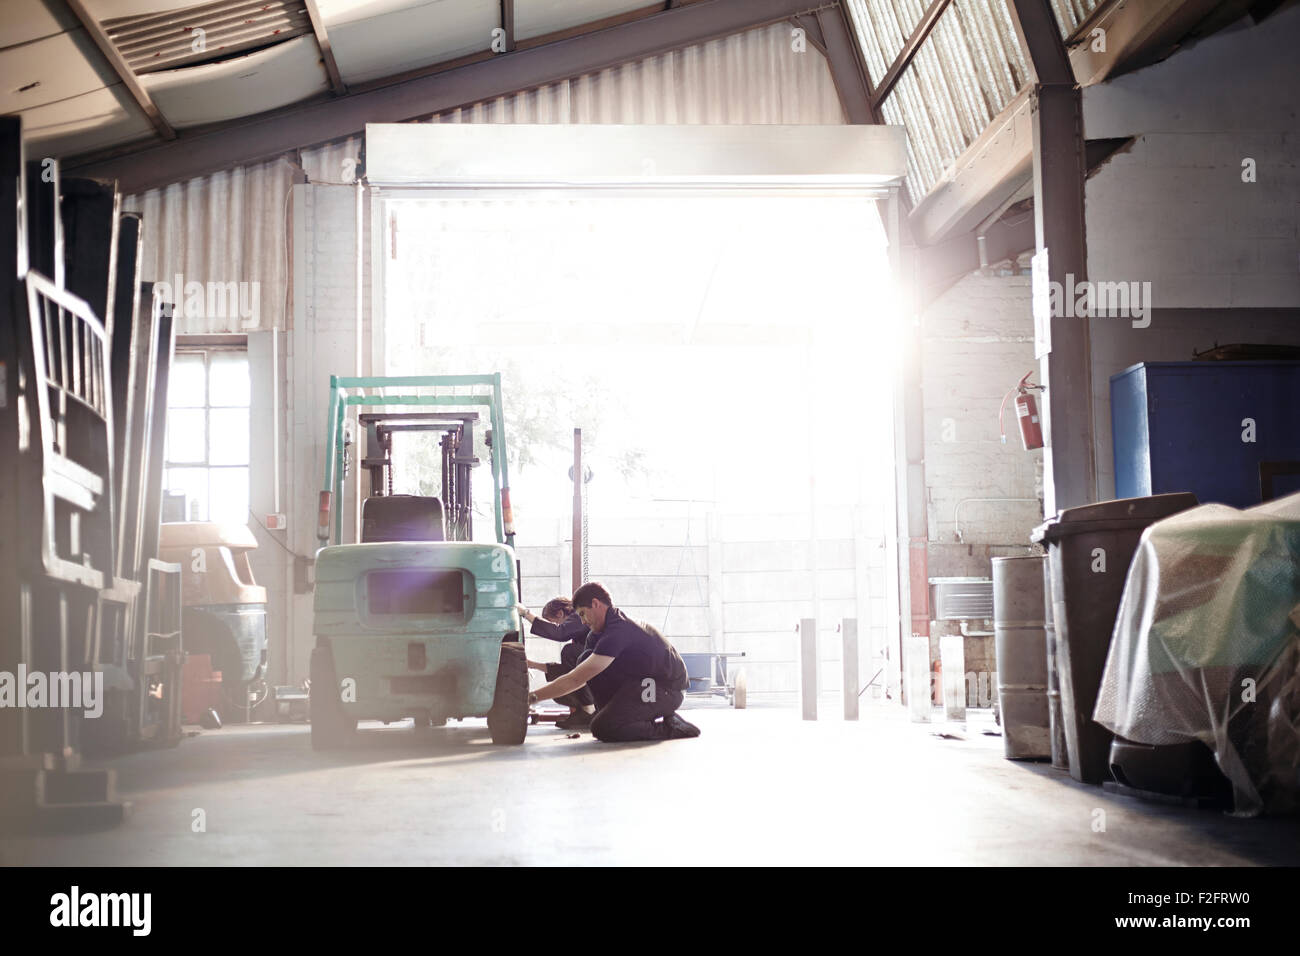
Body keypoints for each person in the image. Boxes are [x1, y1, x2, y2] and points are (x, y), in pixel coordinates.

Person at [528, 582, 699, 742]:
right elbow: (582, 673)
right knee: (584, 658)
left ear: (596, 604)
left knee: (603, 728)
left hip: (667, 689)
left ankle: (670, 727)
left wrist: (532, 698)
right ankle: (616, 717)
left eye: (582, 614)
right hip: (641, 682)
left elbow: (575, 679)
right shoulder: (596, 634)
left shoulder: (618, 631)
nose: (582, 621)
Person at [517, 597, 594, 730]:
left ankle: (589, 710)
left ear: (560, 613)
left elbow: (560, 632)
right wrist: (531, 664)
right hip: (598, 675)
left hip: (606, 671)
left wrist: (525, 613)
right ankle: (586, 711)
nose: (552, 626)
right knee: (559, 687)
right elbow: (564, 671)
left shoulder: (578, 616)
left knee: (569, 652)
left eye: (552, 622)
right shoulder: (581, 635)